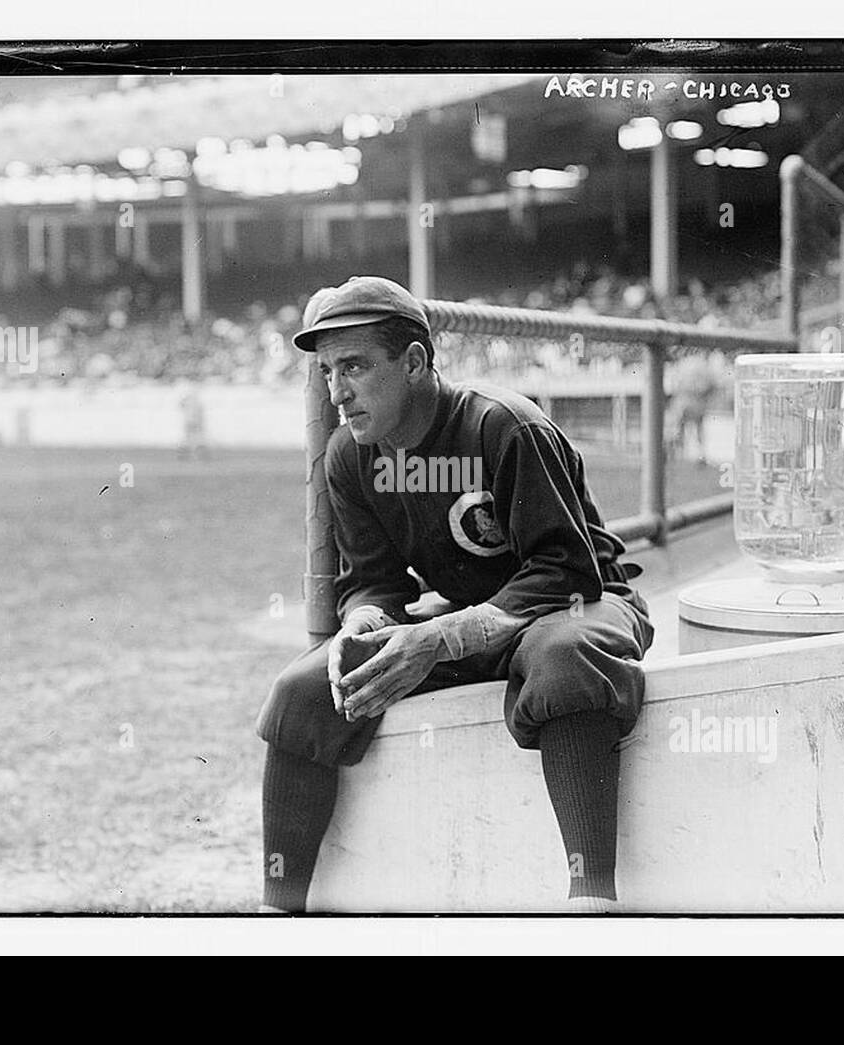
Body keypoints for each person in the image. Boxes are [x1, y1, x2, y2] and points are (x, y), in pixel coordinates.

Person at [255, 276, 654, 912]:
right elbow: (374, 580)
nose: (338, 392)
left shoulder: (504, 426)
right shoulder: (350, 456)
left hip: (577, 604)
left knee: (562, 657)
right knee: (305, 690)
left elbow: (567, 570)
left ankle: (593, 903)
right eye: (328, 372)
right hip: (465, 618)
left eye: (354, 366)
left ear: (414, 362)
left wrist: (441, 636)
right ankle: (277, 913)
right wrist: (364, 621)